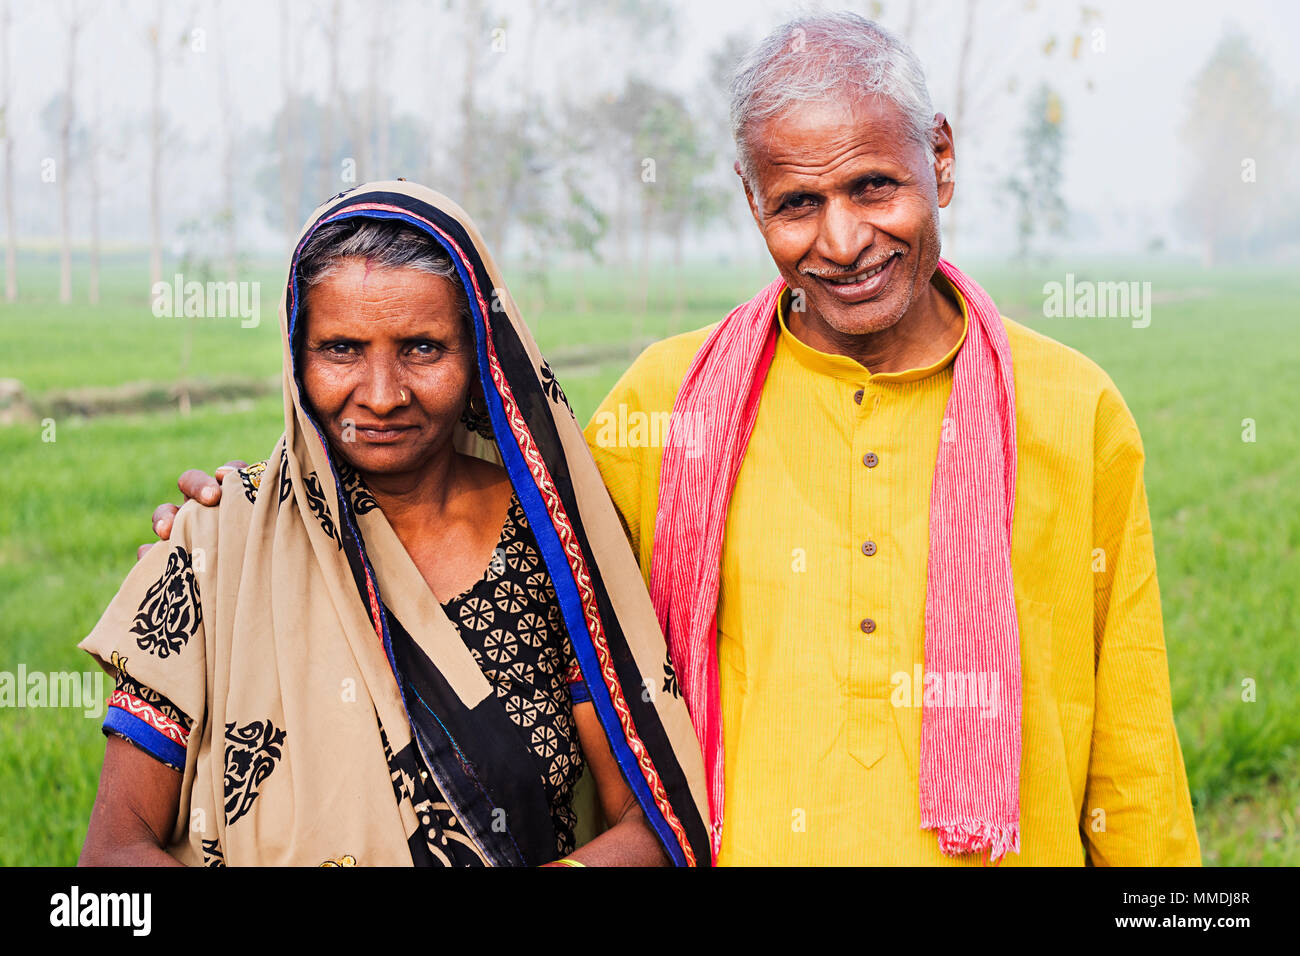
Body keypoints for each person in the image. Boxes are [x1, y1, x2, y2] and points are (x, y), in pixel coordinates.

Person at [147, 14, 1200, 866]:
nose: (840, 240)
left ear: (940, 160)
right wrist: (251, 520)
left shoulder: (1075, 409)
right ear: (752, 203)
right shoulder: (668, 403)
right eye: (797, 202)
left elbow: (1134, 744)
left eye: (873, 186)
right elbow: (495, 542)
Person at [80, 182, 711, 867]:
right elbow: (115, 852)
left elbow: (653, 824)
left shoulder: (555, 542)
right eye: (342, 348)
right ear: (297, 358)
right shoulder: (216, 544)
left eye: (423, 348)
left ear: (480, 356)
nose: (381, 395)